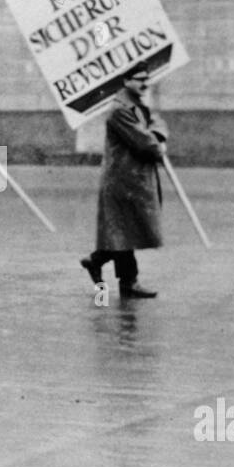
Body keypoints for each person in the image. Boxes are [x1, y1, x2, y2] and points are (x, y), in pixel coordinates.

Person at [79, 63, 166, 299]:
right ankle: (127, 281)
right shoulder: (119, 110)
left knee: (124, 231)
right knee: (124, 231)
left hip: (133, 179)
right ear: (126, 81)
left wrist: (158, 135)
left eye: (147, 79)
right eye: (139, 79)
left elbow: (156, 123)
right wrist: (157, 146)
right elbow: (142, 141)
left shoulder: (138, 105)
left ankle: (98, 263)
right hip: (122, 179)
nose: (145, 83)